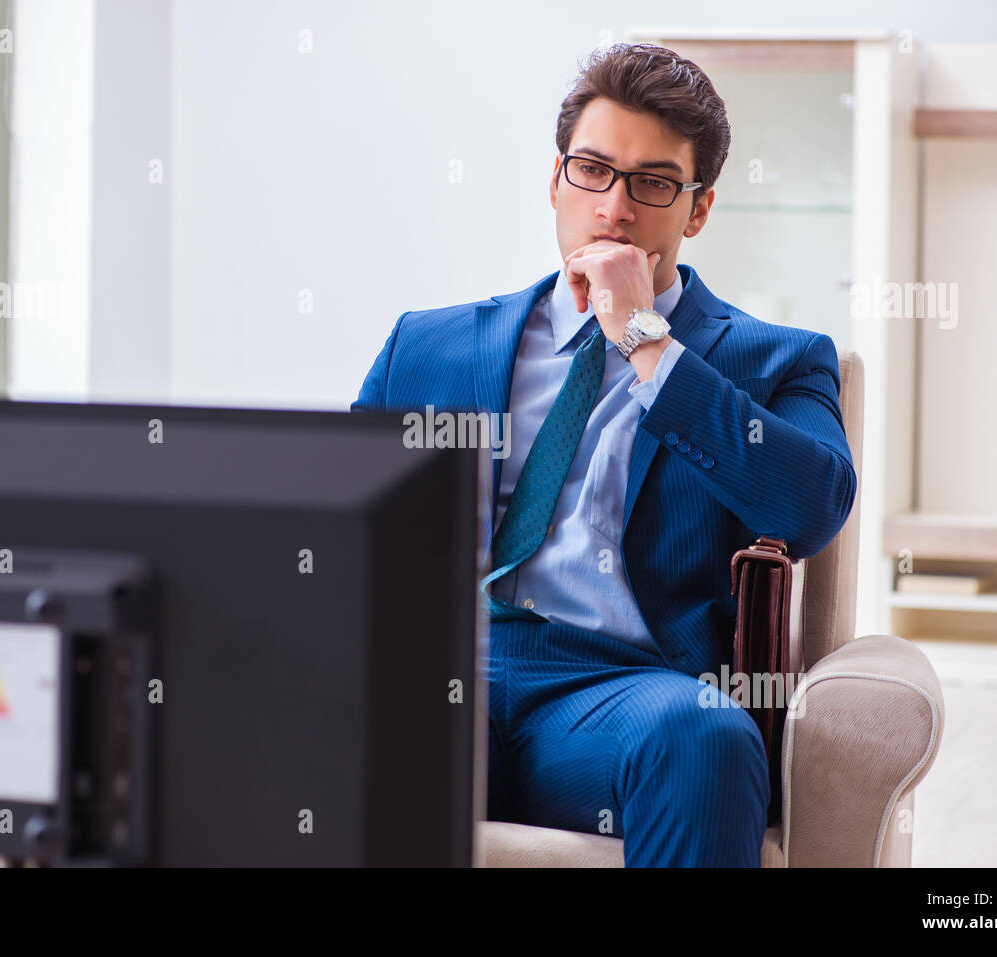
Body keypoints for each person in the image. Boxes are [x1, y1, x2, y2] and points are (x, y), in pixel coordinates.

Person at [351, 43, 856, 866]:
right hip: (449, 671)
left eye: (653, 182)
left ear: (697, 210)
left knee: (708, 738)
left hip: (624, 691)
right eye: (592, 170)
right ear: (556, 182)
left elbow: (809, 507)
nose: (615, 206)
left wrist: (643, 338)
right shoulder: (430, 345)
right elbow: (344, 524)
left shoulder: (777, 360)